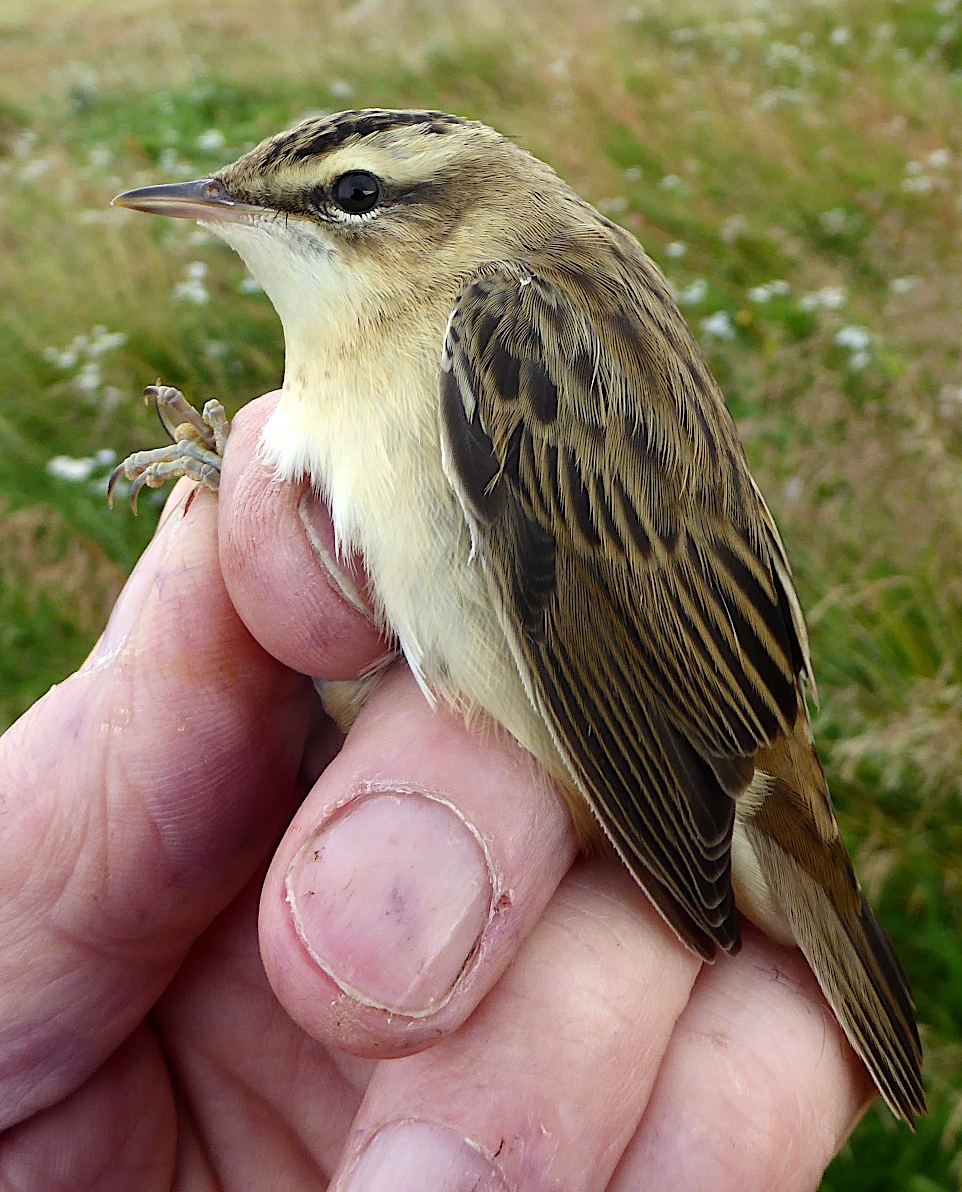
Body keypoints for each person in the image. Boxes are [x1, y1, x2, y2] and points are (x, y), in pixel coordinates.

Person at [0, 395, 873, 1190]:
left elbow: (593, 611)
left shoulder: (495, 328)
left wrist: (683, 819)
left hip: (683, 703)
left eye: (352, 204)